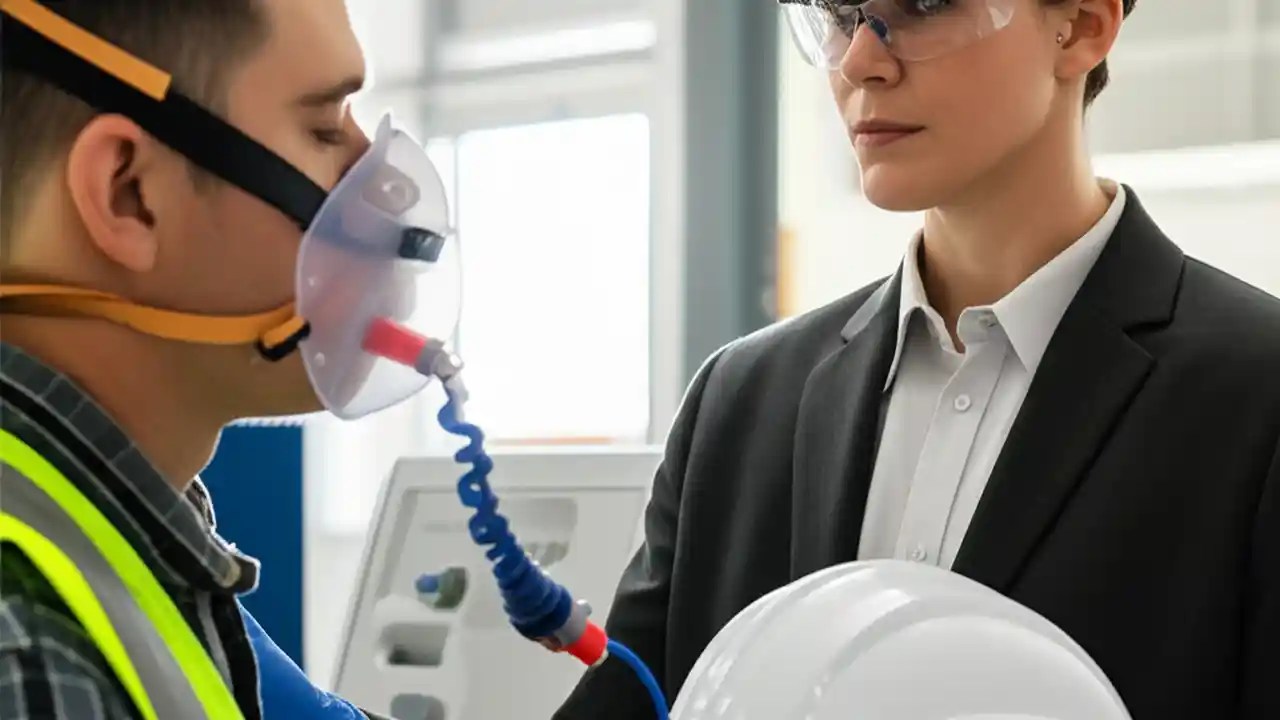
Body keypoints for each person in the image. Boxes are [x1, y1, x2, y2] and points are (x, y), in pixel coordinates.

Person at [556, 1, 1280, 718]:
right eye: (838, 16)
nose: (859, 61)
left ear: (1084, 26)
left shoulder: (1256, 398)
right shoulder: (737, 404)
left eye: (923, 7)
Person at [0, 0, 427, 717]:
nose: (393, 188)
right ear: (130, 194)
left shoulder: (111, 543)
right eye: (325, 129)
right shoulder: (32, 653)